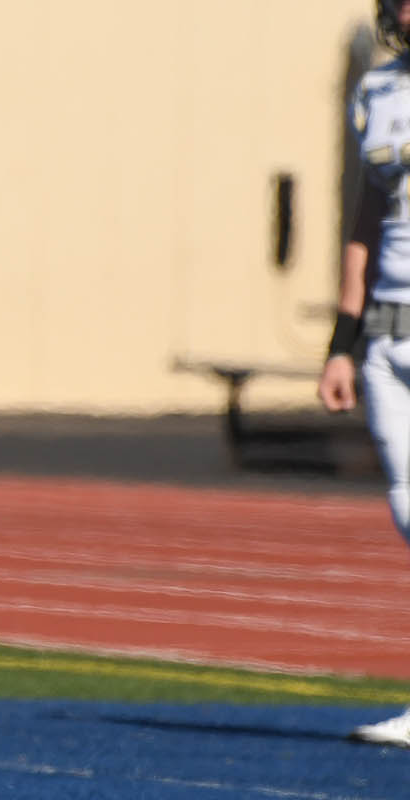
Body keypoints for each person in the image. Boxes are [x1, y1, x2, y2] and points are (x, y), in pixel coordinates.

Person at [323, 0, 410, 749]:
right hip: (387, 335)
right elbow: (366, 219)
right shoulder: (379, 91)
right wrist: (341, 341)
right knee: (409, 508)